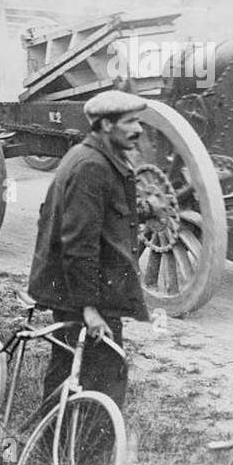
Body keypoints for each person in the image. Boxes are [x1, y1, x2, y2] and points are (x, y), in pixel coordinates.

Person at [27, 89, 151, 410]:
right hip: (84, 296)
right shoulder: (92, 167)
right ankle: (92, 456)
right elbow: (79, 245)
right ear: (106, 126)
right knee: (105, 382)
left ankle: (46, 451)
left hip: (75, 289)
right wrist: (89, 308)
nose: (138, 129)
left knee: (68, 376)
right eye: (131, 121)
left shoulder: (92, 157)